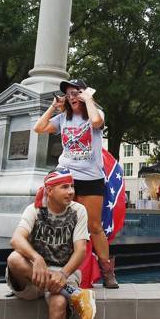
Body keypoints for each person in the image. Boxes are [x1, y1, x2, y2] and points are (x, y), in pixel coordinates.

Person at [7, 168, 97, 319]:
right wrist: (36, 258)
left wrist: (64, 274)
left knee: (58, 304)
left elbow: (80, 251)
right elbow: (16, 239)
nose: (71, 192)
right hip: (32, 273)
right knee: (15, 259)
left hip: (63, 273)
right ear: (50, 191)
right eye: (65, 187)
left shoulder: (78, 211)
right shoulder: (35, 209)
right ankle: (76, 296)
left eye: (72, 187)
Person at [33, 79, 118, 288]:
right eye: (69, 94)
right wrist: (54, 106)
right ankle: (53, 266)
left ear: (85, 93)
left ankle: (107, 270)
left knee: (94, 226)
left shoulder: (95, 115)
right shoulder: (62, 118)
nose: (72, 97)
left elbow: (97, 123)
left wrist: (88, 99)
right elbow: (39, 127)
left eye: (76, 92)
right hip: (66, 176)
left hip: (91, 178)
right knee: (57, 222)